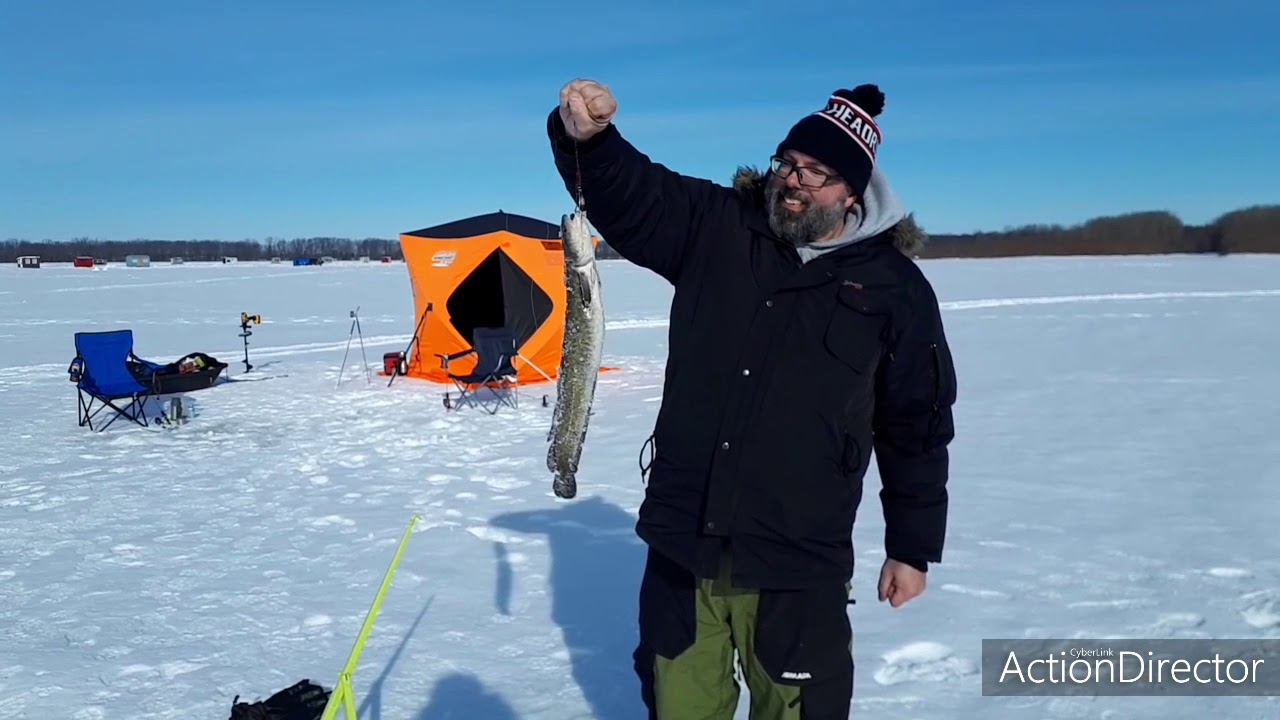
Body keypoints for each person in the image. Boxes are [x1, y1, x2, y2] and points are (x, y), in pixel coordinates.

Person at [547, 78, 957, 719]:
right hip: (684, 542)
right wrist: (590, 140)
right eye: (787, 163)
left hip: (799, 558)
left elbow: (917, 426)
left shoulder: (894, 288)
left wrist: (911, 545)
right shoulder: (718, 226)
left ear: (853, 192)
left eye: (817, 173)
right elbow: (636, 195)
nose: (793, 181)